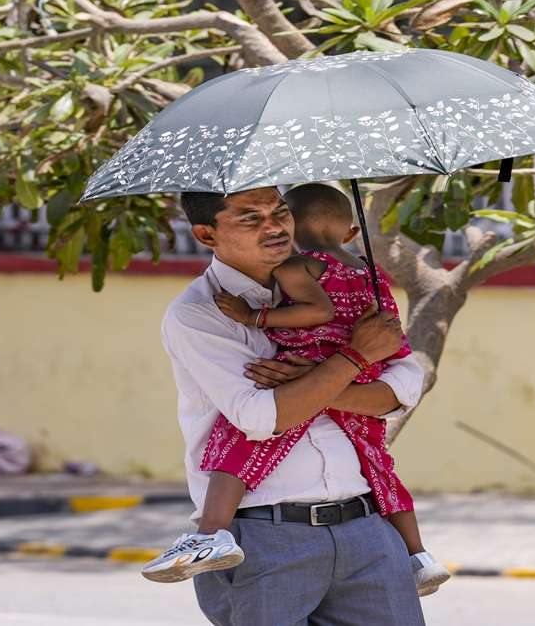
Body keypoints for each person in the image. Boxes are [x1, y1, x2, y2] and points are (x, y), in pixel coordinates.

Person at [142, 184, 449, 597]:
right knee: (252, 444)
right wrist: (354, 364)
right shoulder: (199, 312)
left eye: (280, 212)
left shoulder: (318, 275)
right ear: (206, 235)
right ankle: (417, 556)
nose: (274, 227)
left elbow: (402, 388)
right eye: (251, 217)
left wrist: (315, 377)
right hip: (266, 538)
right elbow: (263, 417)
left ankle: (413, 556)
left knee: (374, 465)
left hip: (366, 529)